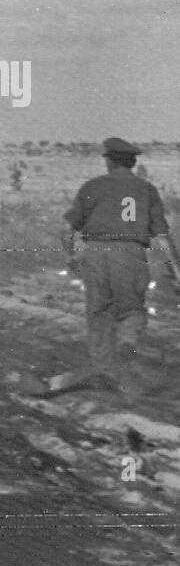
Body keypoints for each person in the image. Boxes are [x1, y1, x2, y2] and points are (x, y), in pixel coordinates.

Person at [55, 138, 176, 399]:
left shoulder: (92, 187)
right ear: (132, 163)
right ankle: (127, 340)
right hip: (131, 253)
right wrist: (175, 269)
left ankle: (104, 371)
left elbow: (66, 229)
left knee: (99, 313)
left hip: (95, 254)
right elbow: (162, 235)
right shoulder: (146, 189)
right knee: (132, 308)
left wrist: (72, 257)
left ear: (109, 161)